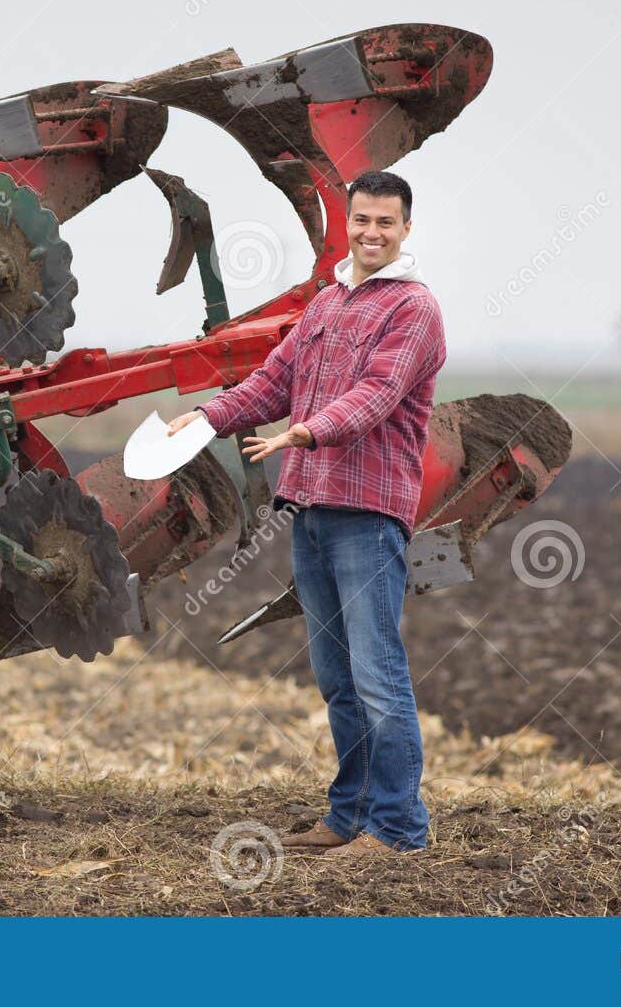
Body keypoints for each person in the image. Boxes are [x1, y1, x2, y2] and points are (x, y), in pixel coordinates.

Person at [167, 170, 446, 855]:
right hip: (311, 509)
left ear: (406, 229)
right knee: (337, 677)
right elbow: (272, 381)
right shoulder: (326, 302)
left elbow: (377, 397)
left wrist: (302, 433)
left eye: (386, 222)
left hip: (368, 511)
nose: (372, 233)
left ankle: (399, 827)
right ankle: (348, 813)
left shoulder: (414, 309)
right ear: (346, 224)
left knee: (378, 673)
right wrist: (205, 417)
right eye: (362, 221)